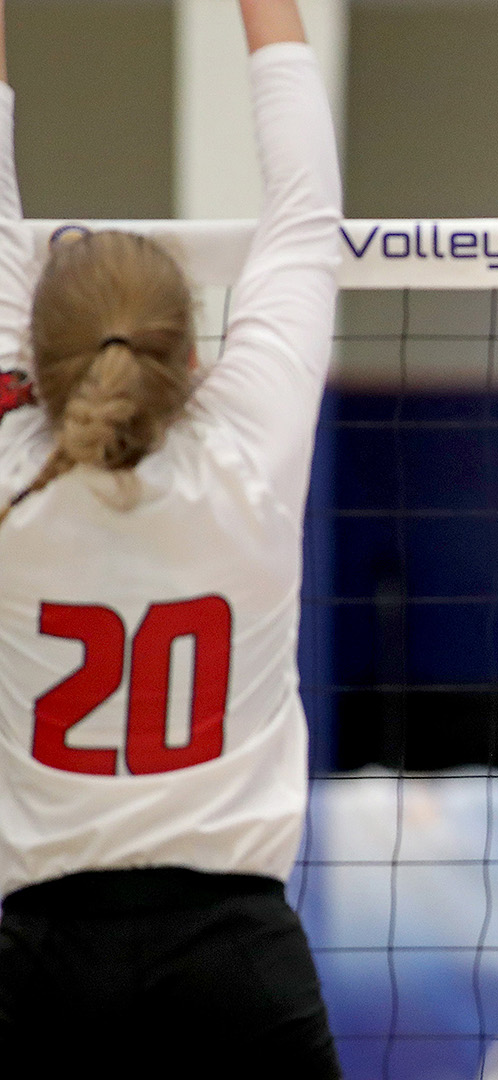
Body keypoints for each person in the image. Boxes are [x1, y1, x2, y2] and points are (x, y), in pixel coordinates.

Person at [0, 0, 344, 1075]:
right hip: (240, 972)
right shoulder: (251, 451)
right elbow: (304, 200)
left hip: (40, 973)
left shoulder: (14, 483)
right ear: (192, 353)